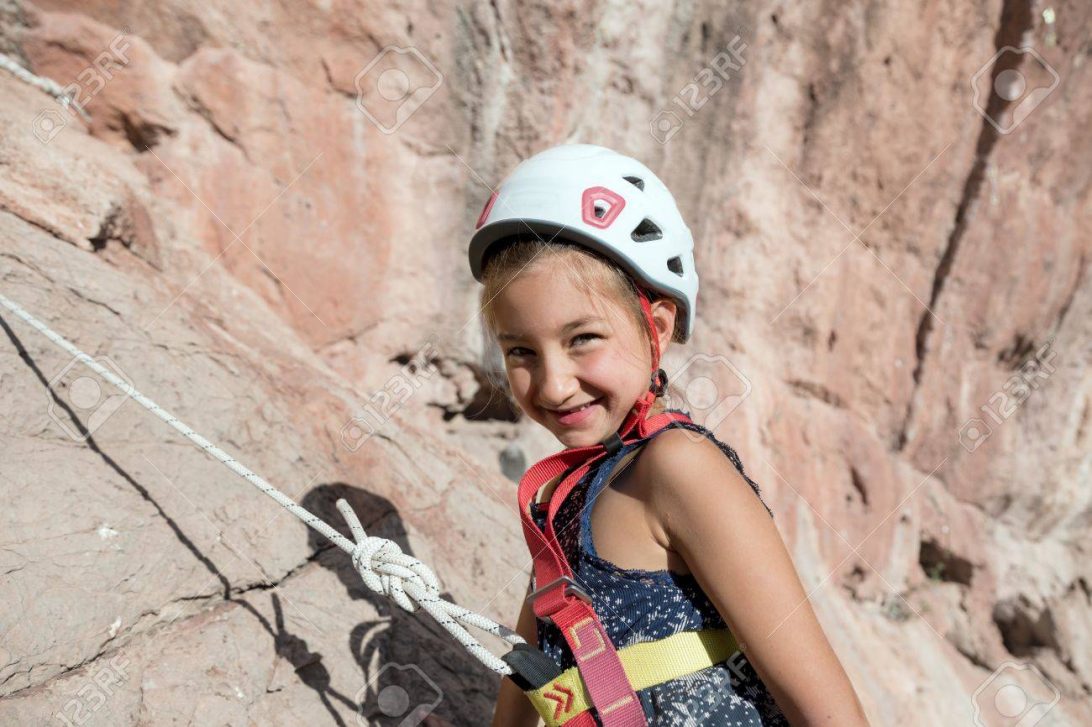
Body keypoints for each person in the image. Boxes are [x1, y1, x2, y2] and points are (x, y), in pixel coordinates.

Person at [469, 144, 869, 726]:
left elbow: (832, 717)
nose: (554, 386)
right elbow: (533, 691)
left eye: (583, 339)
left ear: (655, 327)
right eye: (521, 351)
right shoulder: (560, 504)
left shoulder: (680, 467)